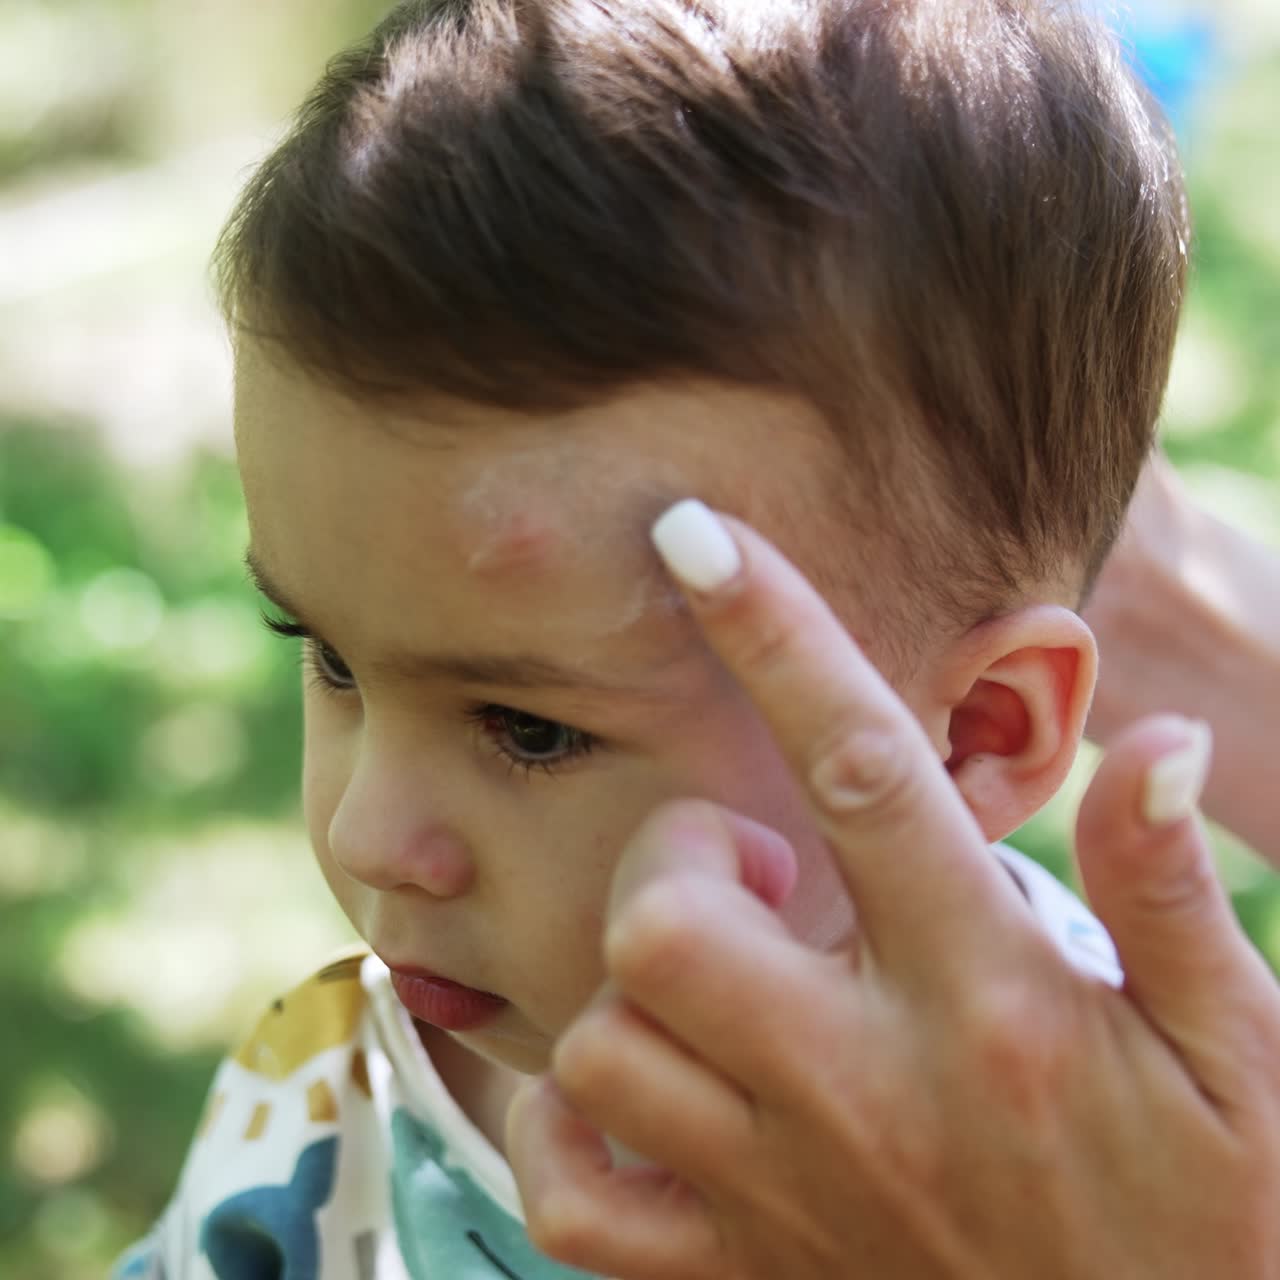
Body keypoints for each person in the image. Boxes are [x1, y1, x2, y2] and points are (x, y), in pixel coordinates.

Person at [109, 0, 1234, 1275]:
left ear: (971, 732)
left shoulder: (1093, 1191)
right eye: (329, 658)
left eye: (530, 728)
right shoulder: (324, 1088)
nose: (370, 836)